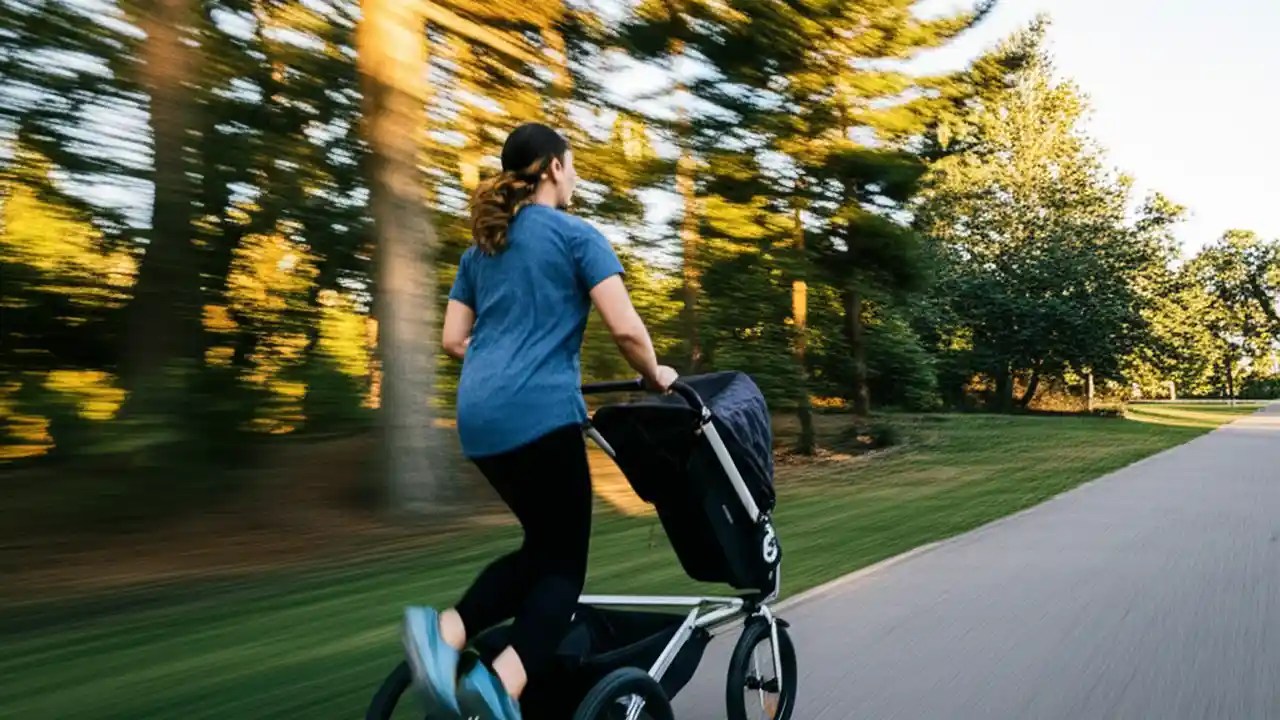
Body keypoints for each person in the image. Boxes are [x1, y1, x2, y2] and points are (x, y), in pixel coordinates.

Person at [402, 122, 678, 720]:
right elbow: (628, 330)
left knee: (540, 549)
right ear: (553, 167)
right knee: (564, 568)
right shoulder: (579, 238)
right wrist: (658, 375)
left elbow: (454, 340)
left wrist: (503, 350)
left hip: (478, 420)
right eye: (572, 164)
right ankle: (501, 685)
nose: (575, 175)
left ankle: (445, 634)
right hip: (540, 416)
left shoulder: (483, 249)